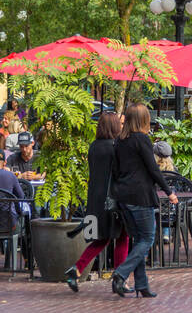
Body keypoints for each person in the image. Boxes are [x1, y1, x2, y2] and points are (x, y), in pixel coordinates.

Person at [110, 103, 178, 297]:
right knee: (147, 238)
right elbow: (153, 168)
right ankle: (121, 273)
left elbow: (116, 170)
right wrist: (168, 191)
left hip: (123, 196)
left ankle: (142, 284)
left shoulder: (120, 141)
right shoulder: (142, 139)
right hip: (140, 196)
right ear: (143, 120)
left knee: (138, 239)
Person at [66, 112, 129, 292]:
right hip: (113, 199)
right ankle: (120, 277)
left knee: (103, 237)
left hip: (95, 198)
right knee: (122, 236)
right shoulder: (115, 147)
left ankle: (77, 268)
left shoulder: (94, 146)